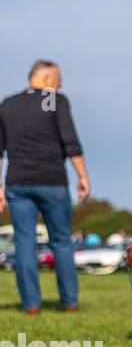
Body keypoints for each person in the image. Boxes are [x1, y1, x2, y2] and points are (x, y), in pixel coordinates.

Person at [0, 60, 90, 315]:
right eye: (58, 78)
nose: (60, 84)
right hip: (52, 182)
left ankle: (30, 305)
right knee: (61, 241)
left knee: (24, 242)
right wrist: (83, 176)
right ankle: (69, 302)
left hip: (17, 183)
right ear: (47, 79)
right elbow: (70, 141)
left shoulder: (7, 104)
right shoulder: (52, 100)